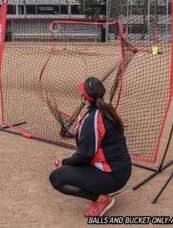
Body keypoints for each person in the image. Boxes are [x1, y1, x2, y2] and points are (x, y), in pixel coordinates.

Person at [49, 77, 131, 217]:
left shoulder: (93, 119)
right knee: (69, 167)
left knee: (57, 178)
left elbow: (84, 157)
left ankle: (101, 199)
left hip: (113, 175)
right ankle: (103, 187)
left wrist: (65, 162)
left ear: (84, 97)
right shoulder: (104, 109)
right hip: (119, 171)